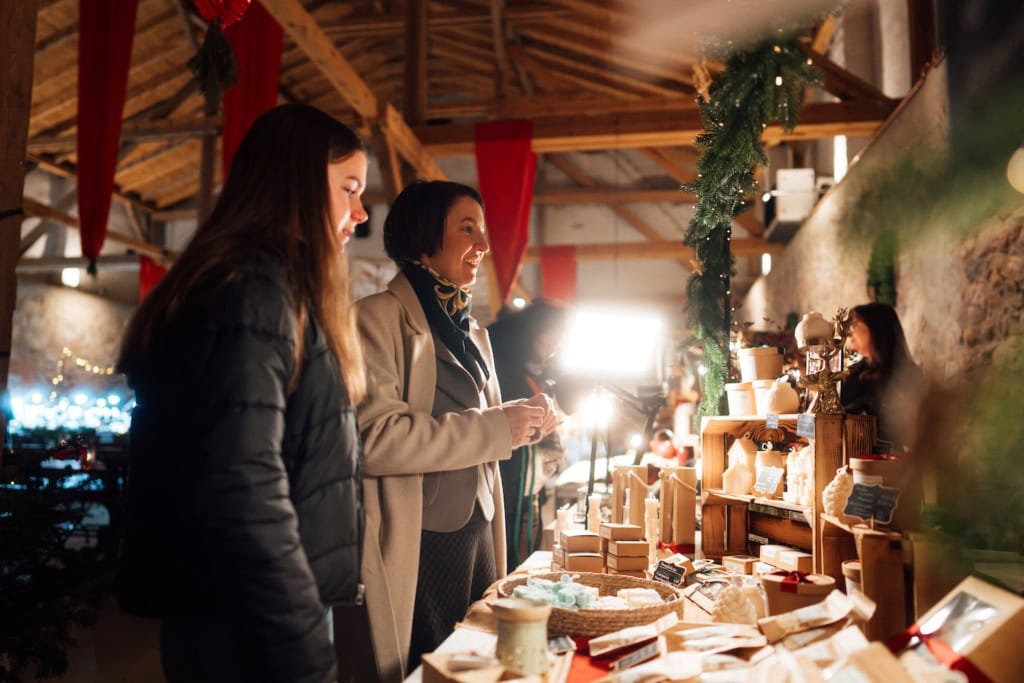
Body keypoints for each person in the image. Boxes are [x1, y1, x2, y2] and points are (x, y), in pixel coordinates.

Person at [115, 104, 368, 683]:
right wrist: (304, 640)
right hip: (248, 616)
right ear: (296, 183)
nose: (359, 211)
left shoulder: (273, 284)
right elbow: (244, 485)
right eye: (348, 188)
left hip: (260, 603)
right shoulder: (252, 287)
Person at [355, 180, 557, 682]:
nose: (483, 246)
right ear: (424, 236)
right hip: (421, 537)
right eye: (468, 228)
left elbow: (481, 429)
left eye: (483, 230)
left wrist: (523, 420)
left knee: (478, 659)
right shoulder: (375, 319)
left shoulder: (473, 333)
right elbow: (375, 440)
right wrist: (495, 426)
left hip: (480, 532)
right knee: (431, 664)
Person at [487, 300, 572, 572]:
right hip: (510, 484)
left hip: (528, 488)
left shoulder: (532, 369)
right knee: (513, 564)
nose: (558, 342)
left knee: (523, 557)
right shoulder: (505, 370)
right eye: (555, 332)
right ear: (535, 330)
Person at [841, 302, 925, 452]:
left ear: (876, 328)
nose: (849, 335)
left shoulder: (906, 374)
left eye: (854, 326)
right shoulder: (858, 372)